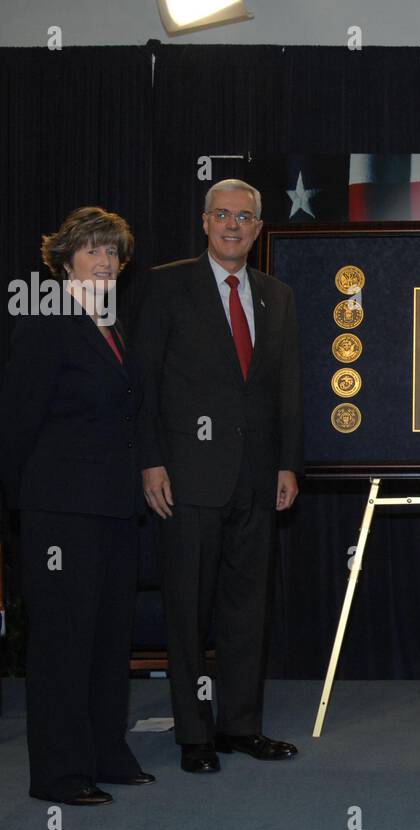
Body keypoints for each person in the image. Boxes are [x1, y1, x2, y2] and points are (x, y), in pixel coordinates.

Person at [134, 179, 303, 774]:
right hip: (186, 477)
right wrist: (150, 459)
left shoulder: (276, 295)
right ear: (204, 222)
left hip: (257, 480)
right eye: (223, 215)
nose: (234, 225)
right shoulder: (165, 284)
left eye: (246, 217)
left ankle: (240, 727)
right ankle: (194, 734)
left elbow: (286, 389)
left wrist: (288, 462)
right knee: (188, 610)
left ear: (260, 229)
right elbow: (144, 383)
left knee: (246, 609)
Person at [0, 206, 151, 806]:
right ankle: (59, 774)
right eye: (92, 250)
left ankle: (106, 753)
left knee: (110, 638)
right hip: (59, 512)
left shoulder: (110, 326)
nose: (105, 261)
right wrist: (24, 512)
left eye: (113, 253)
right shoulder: (46, 320)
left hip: (113, 507)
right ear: (63, 259)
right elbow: (13, 425)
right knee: (64, 641)